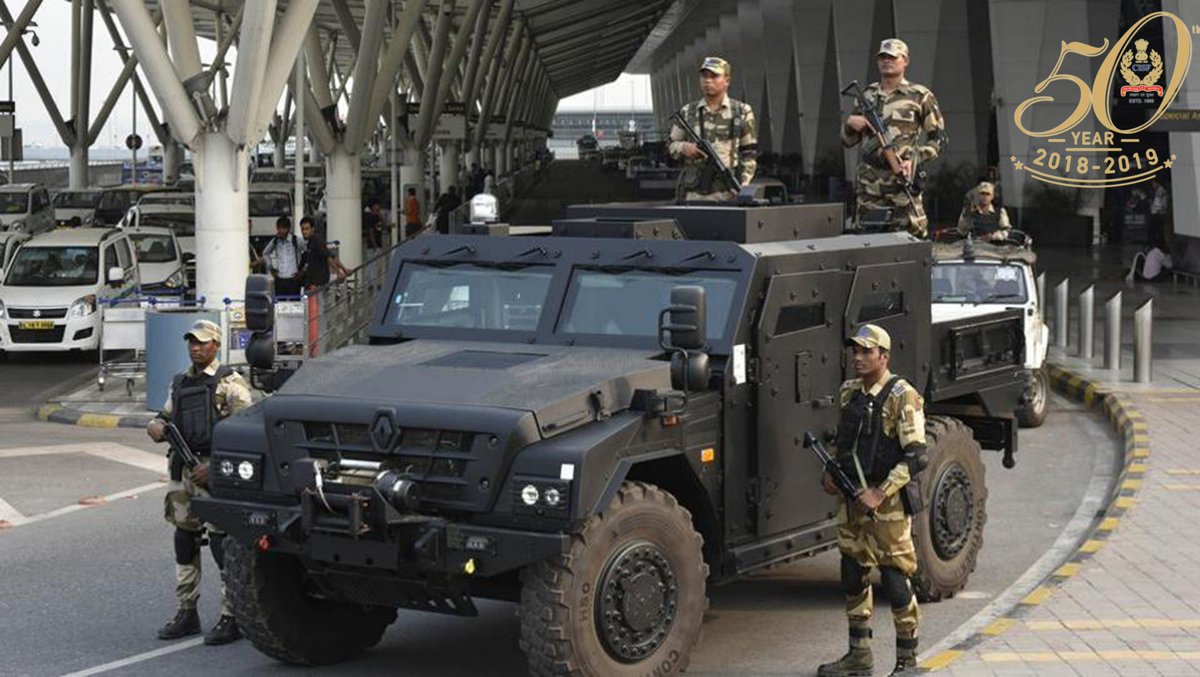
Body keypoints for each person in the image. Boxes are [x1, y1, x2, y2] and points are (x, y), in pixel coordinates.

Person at [818, 324, 928, 677]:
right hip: (852, 501)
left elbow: (917, 456)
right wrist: (831, 473)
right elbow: (844, 441)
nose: (858, 358)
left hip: (887, 505)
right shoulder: (849, 392)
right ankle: (859, 656)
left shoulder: (902, 396)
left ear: (884, 356)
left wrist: (879, 493)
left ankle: (907, 661)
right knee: (852, 572)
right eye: (855, 351)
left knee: (895, 578)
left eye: (867, 351)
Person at [146, 320, 252, 645]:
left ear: (215, 345)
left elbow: (246, 434)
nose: (195, 347)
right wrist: (155, 426)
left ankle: (231, 614)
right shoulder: (180, 382)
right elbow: (164, 417)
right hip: (183, 472)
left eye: (202, 342)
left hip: (214, 472)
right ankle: (186, 611)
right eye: (192, 341)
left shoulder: (230, 383)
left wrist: (215, 468)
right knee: (184, 539)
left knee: (221, 544)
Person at [843, 38, 946, 238]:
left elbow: (939, 138)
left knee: (911, 238)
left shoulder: (919, 96)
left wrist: (915, 158)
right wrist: (849, 124)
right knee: (867, 239)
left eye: (892, 57)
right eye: (882, 57)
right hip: (869, 186)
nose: (886, 61)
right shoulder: (867, 96)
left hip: (902, 182)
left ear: (905, 60)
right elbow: (848, 141)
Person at [667, 56, 758, 201]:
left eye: (714, 76)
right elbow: (670, 145)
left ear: (727, 80)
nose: (708, 80)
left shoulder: (742, 111)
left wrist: (743, 186)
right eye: (704, 76)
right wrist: (683, 147)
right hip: (693, 194)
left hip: (727, 194)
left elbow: (749, 154)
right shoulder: (688, 111)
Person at [258, 217, 305, 296]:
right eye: (279, 228)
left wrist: (302, 271)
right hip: (279, 279)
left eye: (283, 228)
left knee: (294, 302)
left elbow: (307, 252)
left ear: (288, 229)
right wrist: (271, 267)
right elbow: (265, 253)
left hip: (293, 279)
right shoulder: (275, 241)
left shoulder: (296, 240)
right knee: (279, 302)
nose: (281, 231)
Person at [300, 216, 349, 290]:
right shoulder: (311, 242)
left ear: (312, 229)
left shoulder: (316, 241)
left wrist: (338, 272)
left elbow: (328, 257)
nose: (304, 232)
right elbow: (331, 255)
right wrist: (344, 269)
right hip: (314, 282)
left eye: (307, 229)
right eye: (302, 229)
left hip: (317, 284)